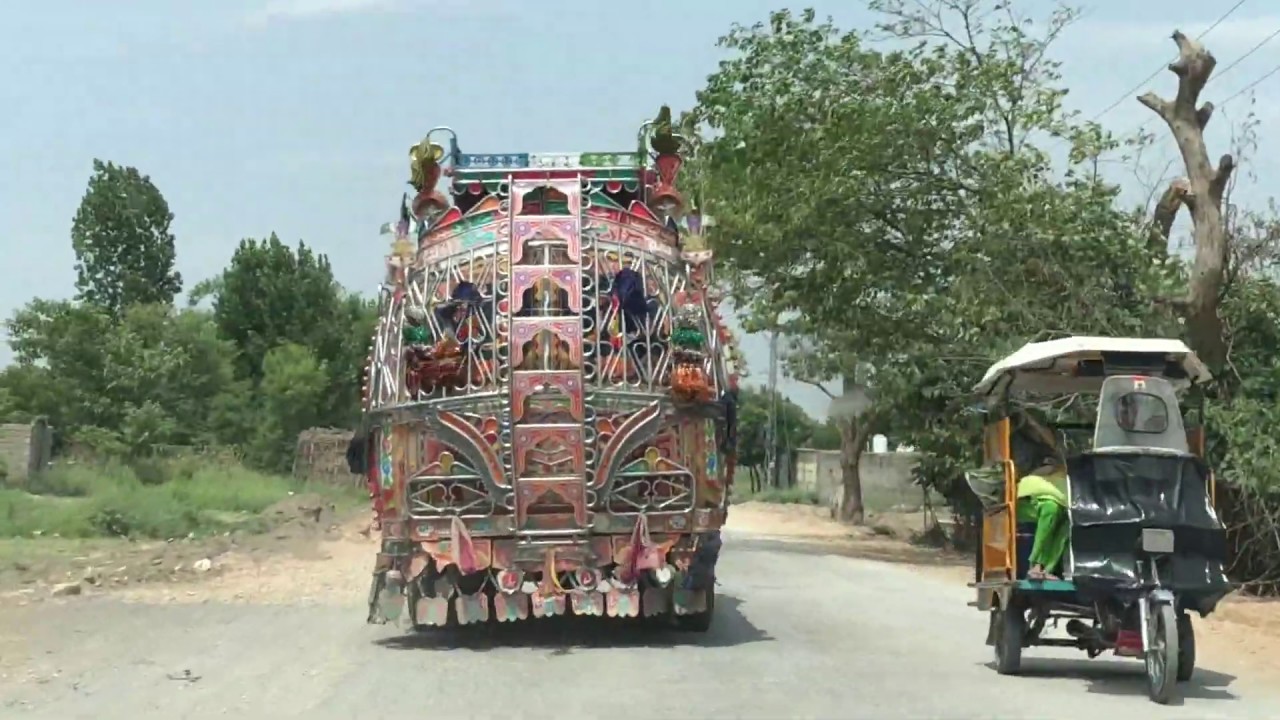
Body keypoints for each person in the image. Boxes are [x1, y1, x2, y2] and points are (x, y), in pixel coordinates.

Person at [1017, 454, 1070, 580]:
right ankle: (1035, 565)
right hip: (1028, 501)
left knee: (1069, 521)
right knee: (1051, 509)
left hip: (1056, 500)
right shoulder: (1025, 444)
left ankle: (1047, 569)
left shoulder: (1059, 448)